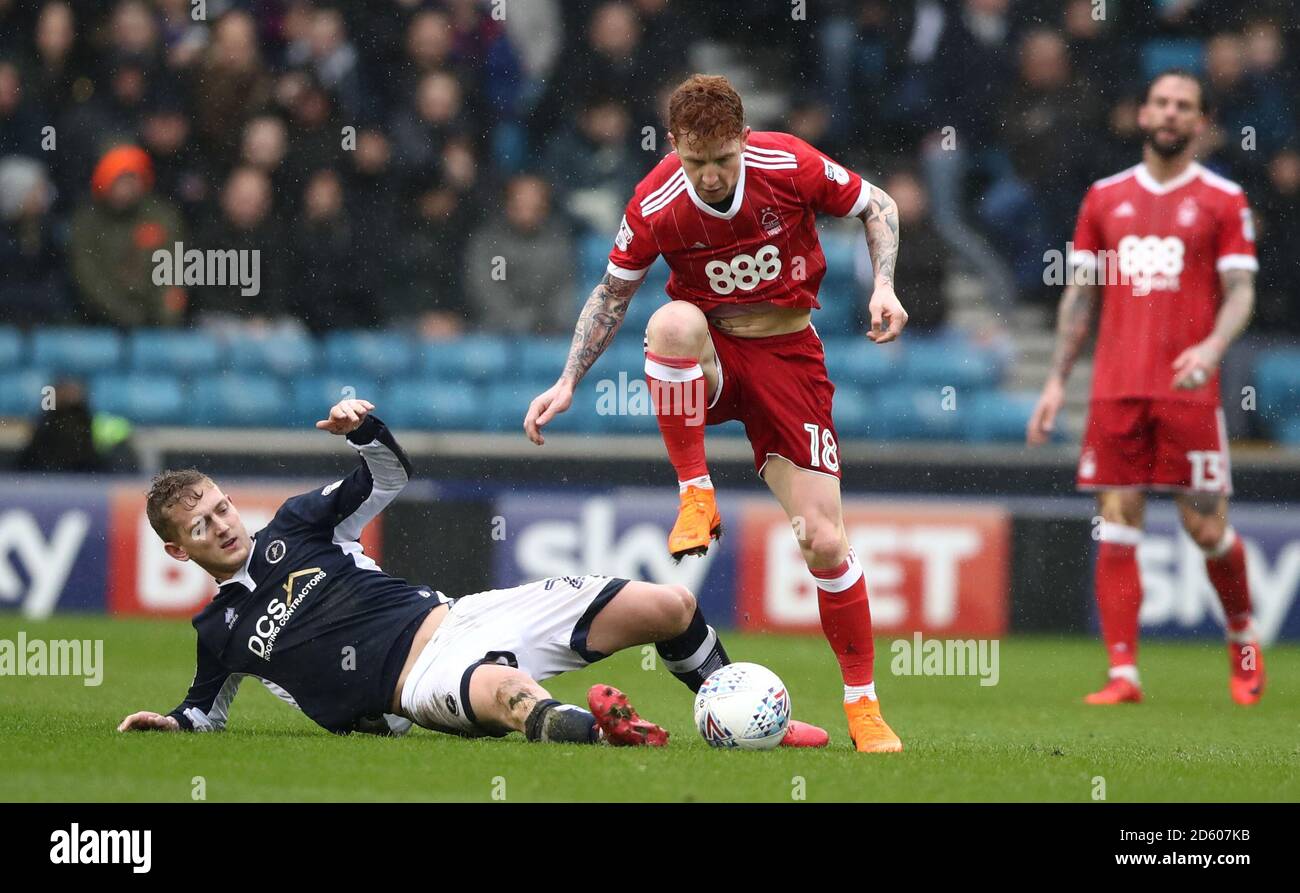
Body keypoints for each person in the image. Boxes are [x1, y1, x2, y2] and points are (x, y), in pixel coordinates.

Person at [523, 74, 907, 753]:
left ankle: (862, 704)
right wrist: (567, 380)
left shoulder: (787, 163)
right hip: (714, 357)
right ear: (673, 147)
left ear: (744, 140)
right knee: (670, 322)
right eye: (695, 162)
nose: (708, 176)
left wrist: (884, 285)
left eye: (722, 160)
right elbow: (612, 295)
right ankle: (695, 491)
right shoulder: (656, 201)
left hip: (789, 358)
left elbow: (877, 205)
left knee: (822, 539)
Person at [118, 397, 827, 747]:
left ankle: (735, 713)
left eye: (218, 506)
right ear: (179, 551)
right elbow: (204, 711)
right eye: (199, 526)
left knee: (669, 603)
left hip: (464, 614)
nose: (220, 523)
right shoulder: (219, 629)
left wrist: (365, 428)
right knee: (508, 693)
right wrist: (171, 725)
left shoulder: (299, 524)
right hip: (413, 685)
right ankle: (603, 728)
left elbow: (390, 474)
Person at [1026, 69, 1265, 707]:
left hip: (1189, 391)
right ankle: (1124, 674)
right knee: (1118, 522)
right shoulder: (1105, 197)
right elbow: (1080, 297)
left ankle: (1242, 635)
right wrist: (1055, 382)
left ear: (1201, 122)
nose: (1169, 113)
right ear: (1142, 114)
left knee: (1206, 528)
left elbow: (1241, 292)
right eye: (1160, 102)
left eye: (1183, 106)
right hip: (1115, 389)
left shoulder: (1222, 200)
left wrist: (1213, 347)